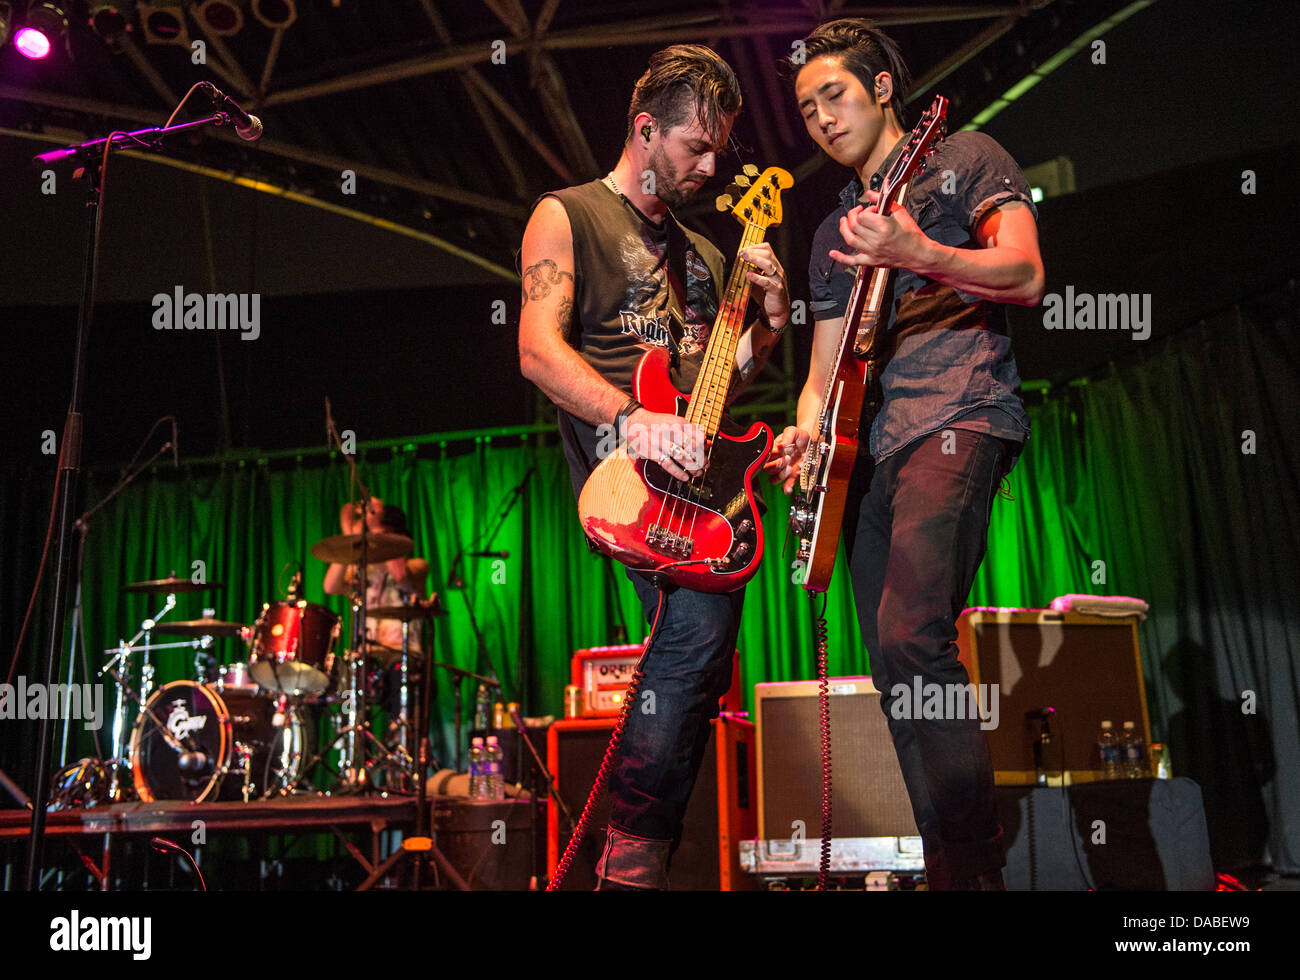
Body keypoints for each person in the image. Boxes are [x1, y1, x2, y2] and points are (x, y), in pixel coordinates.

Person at [768, 19, 1046, 890]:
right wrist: (805, 431)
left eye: (835, 95)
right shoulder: (827, 239)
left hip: (962, 411)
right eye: (807, 107)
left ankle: (970, 867)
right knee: (892, 665)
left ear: (884, 88)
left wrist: (917, 251)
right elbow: (819, 377)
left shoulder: (963, 156)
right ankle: (945, 858)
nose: (819, 117)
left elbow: (1027, 275)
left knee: (909, 630)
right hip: (869, 453)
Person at [519, 45, 791, 889]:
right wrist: (632, 420)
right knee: (700, 633)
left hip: (698, 475)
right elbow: (535, 349)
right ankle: (632, 861)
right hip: (624, 473)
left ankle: (634, 858)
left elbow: (721, 377)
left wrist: (773, 318)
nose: (712, 168)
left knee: (703, 658)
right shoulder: (567, 216)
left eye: (721, 152)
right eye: (695, 149)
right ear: (645, 130)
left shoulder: (709, 258)